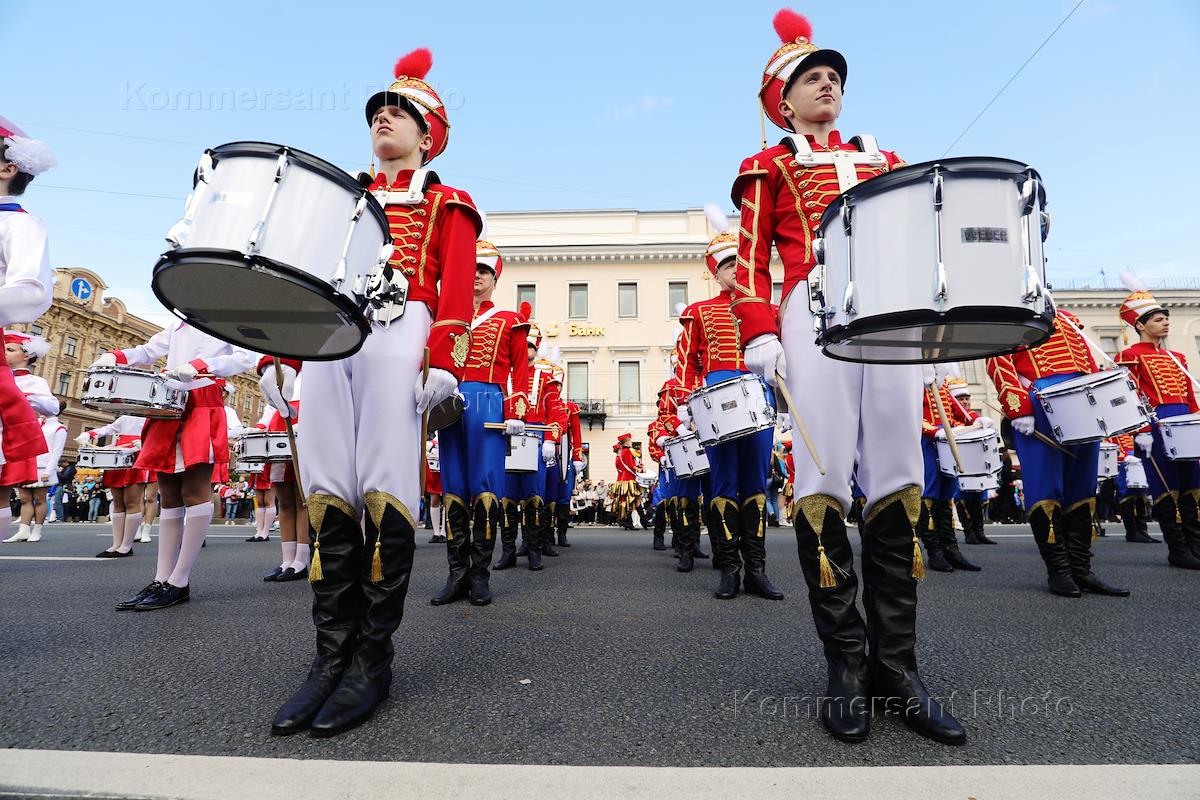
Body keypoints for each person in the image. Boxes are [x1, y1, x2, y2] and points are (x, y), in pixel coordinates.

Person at [728, 10, 962, 745]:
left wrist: (937, 323)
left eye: (834, 76)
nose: (827, 84)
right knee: (822, 474)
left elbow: (922, 242)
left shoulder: (885, 159)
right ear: (783, 100)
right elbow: (749, 260)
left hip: (888, 311)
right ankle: (847, 667)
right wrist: (760, 331)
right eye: (812, 77)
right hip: (814, 308)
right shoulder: (767, 167)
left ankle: (898, 668)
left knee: (898, 472)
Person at [271, 48, 479, 738]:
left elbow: (455, 285)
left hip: (403, 331)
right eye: (378, 112)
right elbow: (303, 273)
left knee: (386, 487)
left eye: (400, 112)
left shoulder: (449, 202)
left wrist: (446, 357)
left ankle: (371, 662)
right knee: (327, 485)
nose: (384, 118)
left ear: (428, 134)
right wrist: (282, 353)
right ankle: (329, 657)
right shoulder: (341, 198)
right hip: (334, 330)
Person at [92, 321, 254, 611]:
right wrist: (116, 356)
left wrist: (203, 365)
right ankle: (161, 579)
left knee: (194, 491)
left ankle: (179, 580)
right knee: (168, 495)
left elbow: (245, 357)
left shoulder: (229, 318)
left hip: (202, 399)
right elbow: (149, 350)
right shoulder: (179, 323)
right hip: (168, 402)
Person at [676, 214, 782, 599]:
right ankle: (729, 568)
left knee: (756, 483)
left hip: (758, 397)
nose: (736, 269)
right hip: (715, 399)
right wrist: (685, 406)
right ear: (715, 273)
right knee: (723, 484)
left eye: (740, 262)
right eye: (727, 265)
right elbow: (687, 363)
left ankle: (756, 569)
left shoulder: (768, 309)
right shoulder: (699, 311)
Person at [987, 309, 1129, 597]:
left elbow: (1087, 361)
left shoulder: (1065, 317)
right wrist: (1018, 407)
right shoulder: (1011, 312)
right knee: (1045, 487)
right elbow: (998, 358)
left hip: (1083, 400)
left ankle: (1081, 569)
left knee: (1082, 486)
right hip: (1040, 405)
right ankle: (1059, 571)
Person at [432, 239, 528, 604]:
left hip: (488, 403)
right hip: (449, 402)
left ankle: (479, 576)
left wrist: (515, 411)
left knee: (486, 488)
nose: (476, 276)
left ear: (494, 278)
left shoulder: (509, 320)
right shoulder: (447, 317)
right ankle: (456, 576)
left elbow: (521, 370)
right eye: (472, 269)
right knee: (453, 486)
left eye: (484, 271)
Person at [1115, 276, 1200, 569]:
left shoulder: (1177, 357)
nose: (1165, 324)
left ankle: (1195, 545)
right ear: (1140, 325)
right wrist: (1140, 430)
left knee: (1192, 484)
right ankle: (1178, 550)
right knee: (1167, 485)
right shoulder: (1128, 356)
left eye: (1166, 319)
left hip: (1184, 421)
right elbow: (1129, 397)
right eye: (1158, 320)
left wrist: (1195, 419)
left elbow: (1188, 394)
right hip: (1155, 425)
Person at [917, 367, 983, 573]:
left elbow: (957, 408)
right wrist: (933, 430)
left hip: (947, 440)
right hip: (926, 442)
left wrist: (975, 419)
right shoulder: (913, 380)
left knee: (947, 495)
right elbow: (908, 413)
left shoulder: (942, 383)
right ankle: (934, 551)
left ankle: (950, 549)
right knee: (929, 495)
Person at [255, 357, 309, 582]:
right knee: (284, 500)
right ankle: (287, 560)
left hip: (305, 418)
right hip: (280, 422)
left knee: (302, 498)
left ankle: (301, 560)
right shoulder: (283, 364)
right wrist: (260, 427)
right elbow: (270, 408)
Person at [0, 334, 58, 542]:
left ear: (26, 355)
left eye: (10, 349)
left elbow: (53, 407)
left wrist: (19, 397)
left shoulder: (34, 381)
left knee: (2, 497)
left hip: (9, 444)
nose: (4, 353)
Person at [78, 415, 150, 557]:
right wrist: (89, 434)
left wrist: (147, 443)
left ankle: (127, 545)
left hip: (137, 455)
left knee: (131, 502)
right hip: (118, 456)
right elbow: (109, 429)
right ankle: (116, 544)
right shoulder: (124, 417)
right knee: (118, 503)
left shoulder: (150, 415)